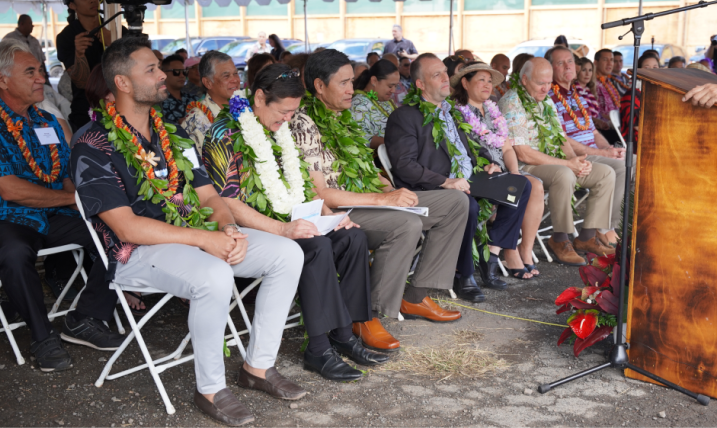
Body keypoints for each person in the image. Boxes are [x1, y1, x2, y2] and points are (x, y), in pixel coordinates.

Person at [72, 35, 306, 426]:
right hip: (135, 252)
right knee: (214, 274)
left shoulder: (173, 134)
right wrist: (205, 240)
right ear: (123, 83)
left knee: (287, 254)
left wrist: (227, 229)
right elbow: (126, 226)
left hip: (194, 236)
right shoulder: (94, 142)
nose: (163, 75)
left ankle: (258, 367)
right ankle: (211, 389)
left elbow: (209, 195)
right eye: (151, 69)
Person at [203, 63, 389, 380]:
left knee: (351, 238)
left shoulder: (280, 129)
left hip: (289, 220)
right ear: (259, 98)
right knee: (315, 246)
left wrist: (329, 216)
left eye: (293, 112)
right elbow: (224, 202)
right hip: (249, 230)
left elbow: (302, 183)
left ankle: (344, 334)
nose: (289, 119)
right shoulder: (223, 134)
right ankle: (318, 348)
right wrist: (282, 229)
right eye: (284, 111)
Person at [291, 49, 471, 319]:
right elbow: (321, 194)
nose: (352, 90)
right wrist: (384, 199)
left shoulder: (344, 117)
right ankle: (373, 311)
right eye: (344, 83)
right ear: (319, 85)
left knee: (456, 202)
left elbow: (365, 169)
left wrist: (390, 189)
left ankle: (415, 296)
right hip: (338, 212)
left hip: (367, 200)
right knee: (407, 223)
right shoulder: (304, 123)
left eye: (352, 81)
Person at [0, 39, 124, 372]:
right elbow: (9, 189)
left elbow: (65, 177)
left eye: (41, 70)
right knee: (14, 252)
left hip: (51, 214)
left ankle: (85, 317)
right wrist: (75, 200)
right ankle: (42, 336)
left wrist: (86, 205)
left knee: (118, 232)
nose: (41, 78)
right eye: (30, 71)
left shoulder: (46, 122)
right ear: (2, 80)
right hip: (1, 218)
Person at [384, 53, 506, 299]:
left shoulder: (452, 111)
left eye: (444, 73)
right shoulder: (405, 116)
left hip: (468, 179)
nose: (445, 78)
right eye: (436, 75)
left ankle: (490, 258)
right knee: (467, 205)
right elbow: (404, 165)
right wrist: (445, 181)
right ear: (420, 84)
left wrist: (489, 164)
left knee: (518, 187)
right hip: (434, 188)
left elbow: (471, 147)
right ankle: (463, 274)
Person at [499, 58, 617, 265]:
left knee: (605, 173)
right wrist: (568, 165)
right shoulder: (512, 102)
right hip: (526, 166)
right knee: (564, 174)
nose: (546, 88)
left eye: (549, 83)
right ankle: (560, 239)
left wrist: (575, 160)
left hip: (556, 162)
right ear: (524, 80)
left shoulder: (546, 100)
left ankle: (587, 237)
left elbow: (560, 138)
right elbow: (523, 153)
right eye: (540, 83)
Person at [449, 62, 543, 281]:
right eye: (481, 80)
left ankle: (495, 250)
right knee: (519, 187)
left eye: (489, 81)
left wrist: (514, 171)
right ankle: (500, 252)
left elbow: (507, 148)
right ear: (465, 83)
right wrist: (486, 166)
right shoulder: (457, 113)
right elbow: (461, 151)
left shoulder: (493, 111)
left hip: (500, 172)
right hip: (475, 173)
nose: (487, 85)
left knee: (521, 183)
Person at [548, 47, 627, 250]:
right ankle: (604, 228)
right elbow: (561, 139)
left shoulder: (577, 95)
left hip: (594, 151)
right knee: (620, 167)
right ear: (551, 68)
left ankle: (611, 225)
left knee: (632, 160)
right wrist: (603, 153)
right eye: (560, 63)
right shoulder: (548, 96)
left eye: (570, 62)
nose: (567, 66)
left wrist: (609, 149)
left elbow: (593, 132)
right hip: (574, 155)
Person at [57, 0, 124, 132]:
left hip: (122, 108)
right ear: (72, 5)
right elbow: (81, 83)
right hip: (86, 114)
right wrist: (79, 54)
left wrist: (114, 43)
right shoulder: (67, 37)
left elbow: (134, 70)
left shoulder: (117, 30)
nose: (92, 0)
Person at [181, 51, 240, 153]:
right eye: (226, 76)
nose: (235, 80)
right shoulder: (197, 119)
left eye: (235, 73)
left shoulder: (244, 107)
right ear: (208, 83)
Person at [351, 60, 399, 150]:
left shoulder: (385, 100)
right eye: (390, 86)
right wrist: (397, 143)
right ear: (374, 81)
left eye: (395, 86)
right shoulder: (358, 104)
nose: (393, 90)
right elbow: (362, 138)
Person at [620, 53, 660, 154]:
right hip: (641, 144)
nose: (652, 71)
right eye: (647, 68)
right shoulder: (632, 95)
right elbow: (638, 126)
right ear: (639, 71)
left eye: (655, 67)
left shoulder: (657, 92)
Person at [593, 49, 623, 145]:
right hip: (603, 130)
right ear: (596, 63)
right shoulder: (592, 84)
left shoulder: (609, 83)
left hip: (616, 125)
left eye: (612, 60)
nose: (610, 63)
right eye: (605, 60)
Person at [160, 55, 198, 124]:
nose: (182, 75)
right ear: (164, 74)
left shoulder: (193, 98)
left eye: (184, 72)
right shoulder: (159, 103)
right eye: (176, 72)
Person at [575, 57, 600, 122]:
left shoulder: (589, 91)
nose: (587, 74)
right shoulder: (573, 90)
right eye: (584, 70)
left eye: (590, 70)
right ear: (577, 71)